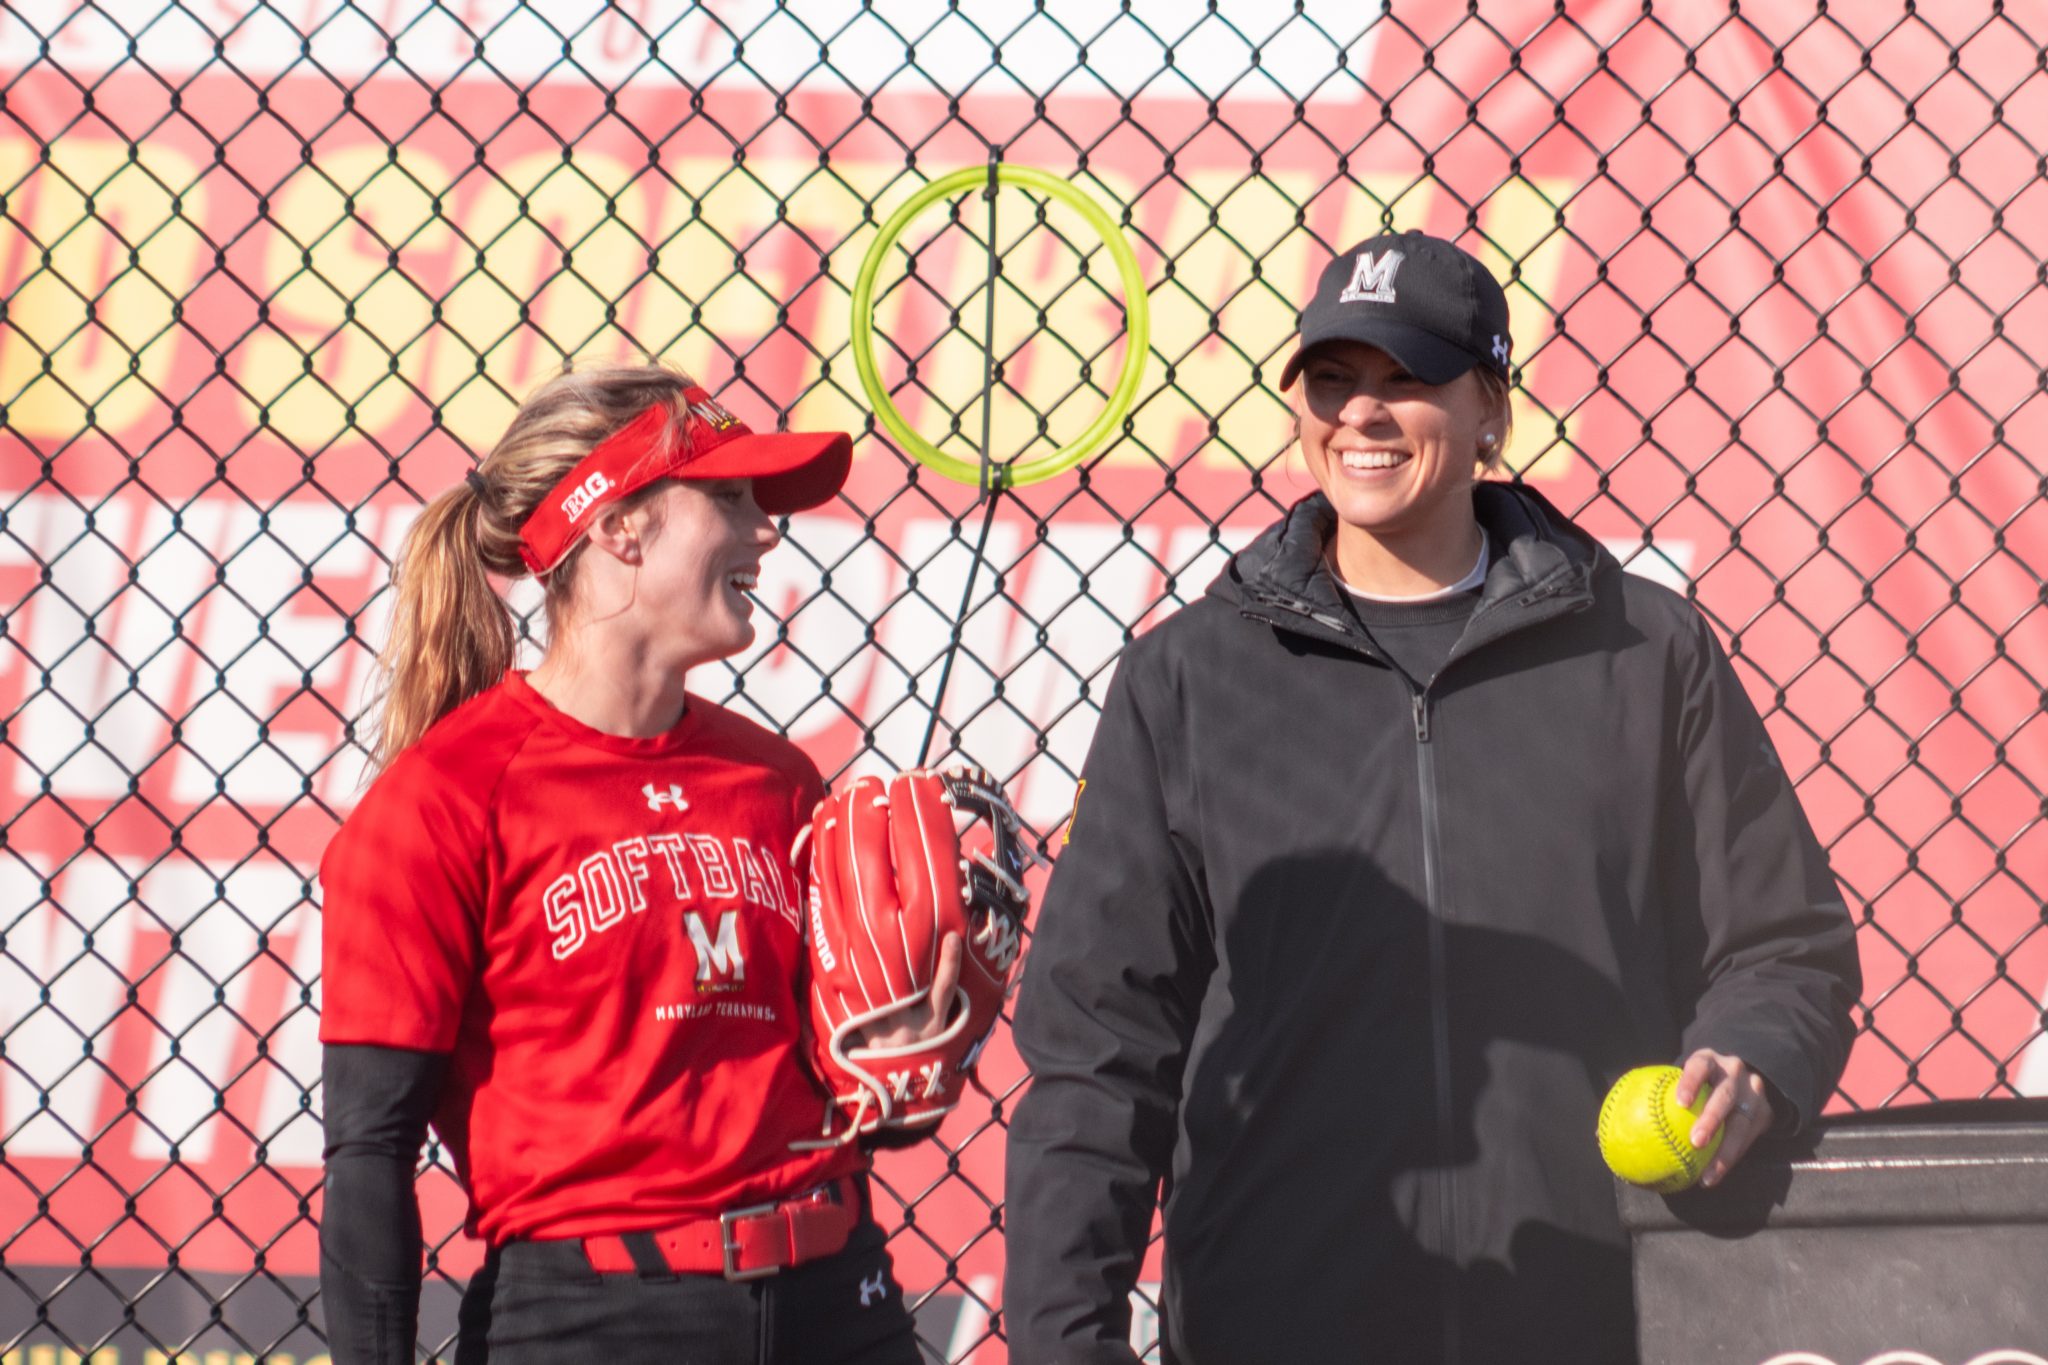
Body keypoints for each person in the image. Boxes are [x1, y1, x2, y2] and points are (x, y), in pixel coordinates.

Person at [1003, 231, 1861, 1364]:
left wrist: (1750, 1057)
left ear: (1490, 412)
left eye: (1404, 378)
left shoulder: (1643, 649)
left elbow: (1783, 944)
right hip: (1281, 1322)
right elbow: (1098, 1045)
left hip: (1603, 1314)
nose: (1358, 414)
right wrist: (1064, 1343)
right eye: (1330, 379)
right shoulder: (1188, 680)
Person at [318, 364, 938, 1364]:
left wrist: (898, 1071)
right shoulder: (444, 796)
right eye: (730, 499)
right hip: (593, 1321)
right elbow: (368, 1152)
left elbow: (831, 1096)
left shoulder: (777, 779)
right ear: (616, 525)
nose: (765, 531)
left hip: (837, 1299)